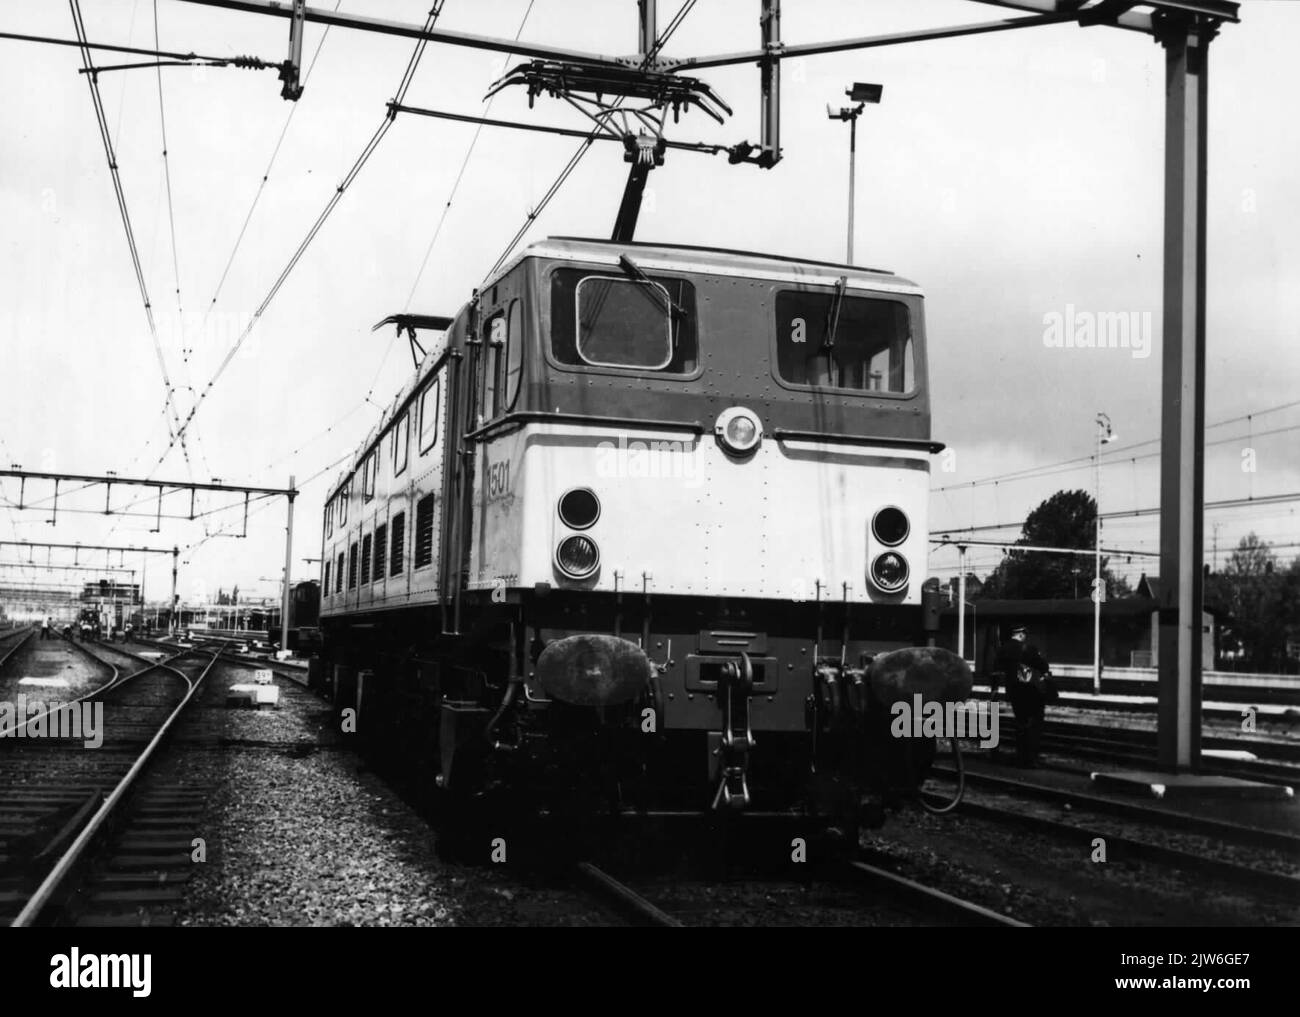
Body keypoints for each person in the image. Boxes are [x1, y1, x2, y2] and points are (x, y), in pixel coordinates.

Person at [992, 624, 1052, 767]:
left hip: (1014, 691)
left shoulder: (1002, 650)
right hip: (1032, 691)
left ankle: (1021, 755)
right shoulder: (1028, 649)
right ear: (1021, 634)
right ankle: (1031, 758)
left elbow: (997, 668)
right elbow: (1044, 666)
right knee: (1034, 723)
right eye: (1024, 634)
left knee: (1020, 722)